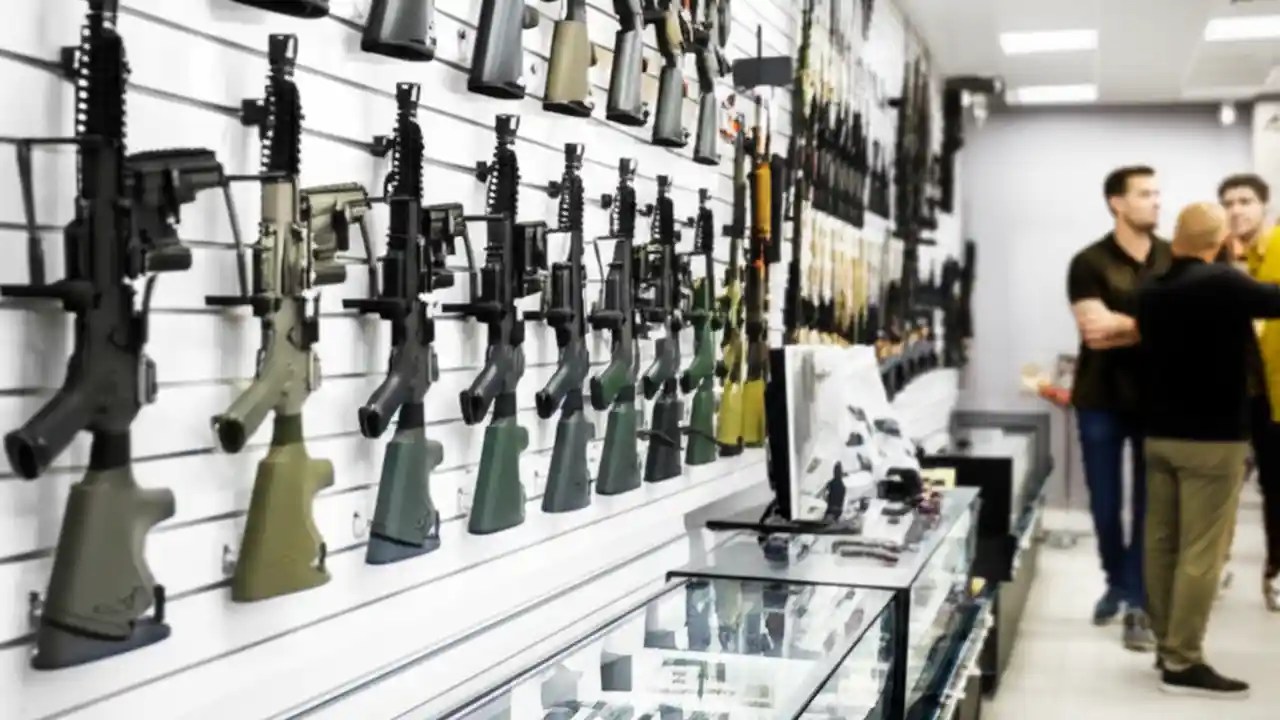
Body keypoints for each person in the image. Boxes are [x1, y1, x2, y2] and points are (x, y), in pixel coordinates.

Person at [1133, 202, 1280, 698]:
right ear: (1219, 241)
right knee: (1202, 552)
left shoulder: (1151, 288)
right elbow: (1274, 299)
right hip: (1213, 439)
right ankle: (1183, 660)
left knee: (1161, 543)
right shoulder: (1222, 282)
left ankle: (1164, 646)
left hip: (1159, 434)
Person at [1066, 166, 1171, 650]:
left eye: (1157, 193)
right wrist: (1160, 325)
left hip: (1157, 400)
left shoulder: (1173, 258)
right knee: (1106, 506)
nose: (1156, 202)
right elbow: (1093, 331)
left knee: (1150, 507)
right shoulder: (1088, 262)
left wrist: (1124, 325)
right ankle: (1116, 580)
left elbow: (1118, 327)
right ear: (1117, 203)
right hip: (1100, 398)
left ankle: (1134, 599)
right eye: (1145, 194)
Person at [1219, 174, 1280, 610]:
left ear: (1264, 206)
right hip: (1242, 395)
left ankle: (1275, 573)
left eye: (1245, 201)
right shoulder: (1227, 261)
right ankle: (1216, 567)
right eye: (1228, 203)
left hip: (1277, 393)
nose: (1236, 210)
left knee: (1278, 489)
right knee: (1223, 487)